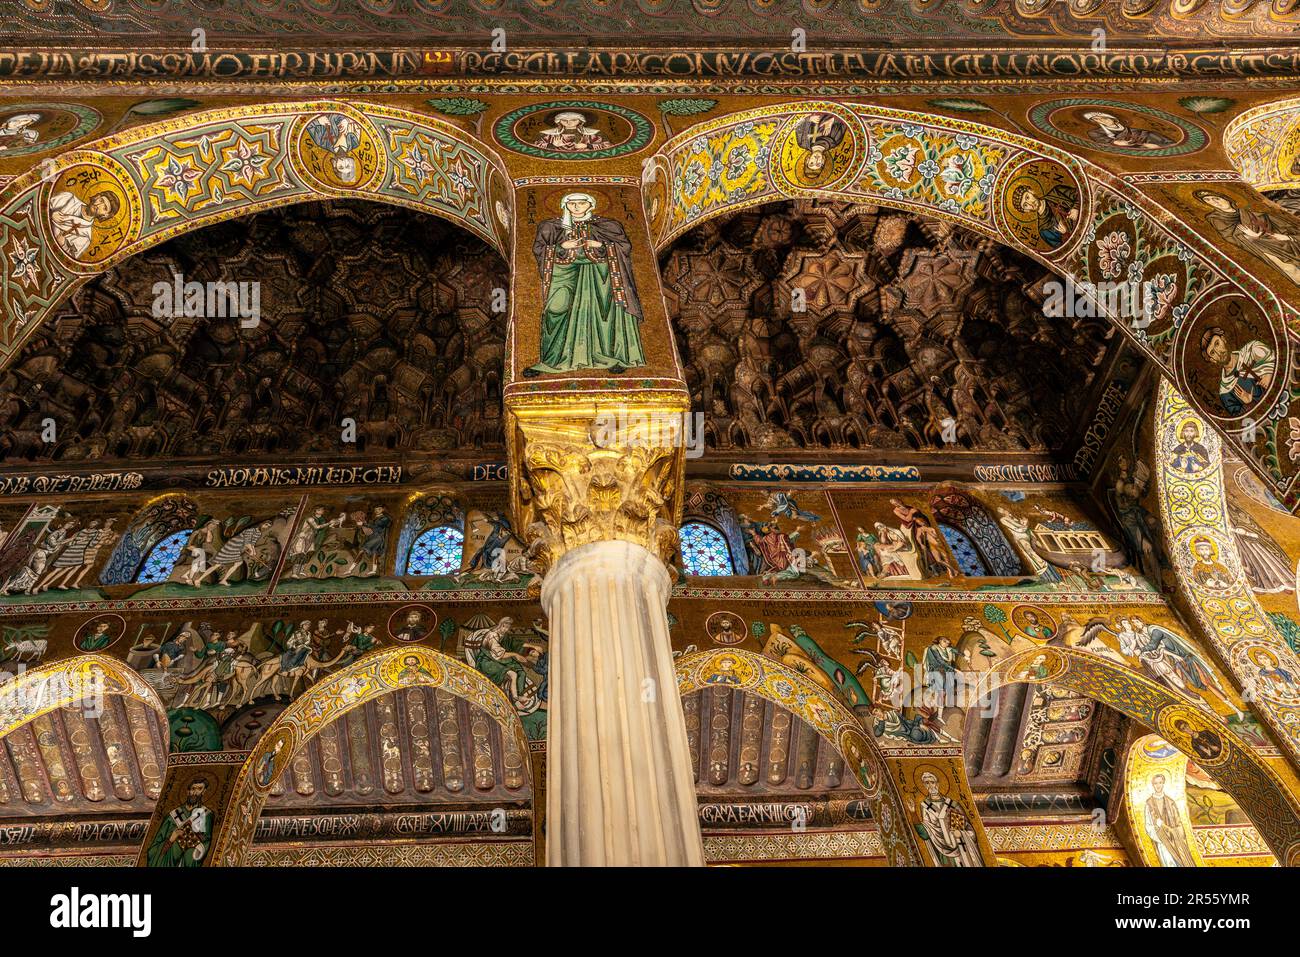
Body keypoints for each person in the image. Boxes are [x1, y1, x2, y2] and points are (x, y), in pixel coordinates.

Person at [524, 193, 644, 376]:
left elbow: (624, 247)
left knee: (604, 312)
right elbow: (539, 249)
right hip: (563, 274)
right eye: (572, 203)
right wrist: (560, 247)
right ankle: (552, 360)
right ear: (566, 205)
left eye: (581, 203)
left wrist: (601, 244)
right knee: (555, 309)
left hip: (599, 274)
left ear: (591, 205)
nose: (577, 207)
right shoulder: (551, 226)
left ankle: (609, 358)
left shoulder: (608, 225)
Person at [1198, 324, 1276, 416]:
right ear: (1213, 360)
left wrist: (1269, 374)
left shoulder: (1253, 350)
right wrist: (1248, 404)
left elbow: (1278, 359)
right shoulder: (1225, 393)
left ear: (1223, 339)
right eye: (1213, 352)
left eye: (1217, 343)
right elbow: (1243, 422)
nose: (1219, 352)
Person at [146, 777, 213, 867]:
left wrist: (196, 836)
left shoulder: (206, 814)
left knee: (190, 854)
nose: (195, 792)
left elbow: (206, 840)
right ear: (188, 791)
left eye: (199, 789)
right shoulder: (171, 816)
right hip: (170, 858)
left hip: (190, 856)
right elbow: (153, 849)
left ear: (204, 791)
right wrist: (170, 840)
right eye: (193, 789)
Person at [1144, 773, 1196, 867]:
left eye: (1160, 782)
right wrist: (1159, 833)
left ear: (1163, 783)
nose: (1158, 785)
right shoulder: (1149, 803)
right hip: (1161, 839)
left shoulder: (1170, 802)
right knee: (1169, 862)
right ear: (1152, 785)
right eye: (1155, 783)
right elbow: (1148, 825)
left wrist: (1175, 833)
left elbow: (1178, 822)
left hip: (1175, 840)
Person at [1081, 110, 1174, 150]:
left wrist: (1158, 145)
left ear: (1113, 119)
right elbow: (1106, 142)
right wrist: (1114, 142)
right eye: (1096, 119)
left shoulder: (1138, 132)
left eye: (1103, 118)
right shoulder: (1094, 132)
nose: (1101, 120)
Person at [532, 111, 612, 152]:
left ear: (580, 121)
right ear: (559, 122)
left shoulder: (595, 133)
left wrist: (588, 146)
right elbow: (534, 146)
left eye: (573, 120)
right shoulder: (547, 134)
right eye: (564, 120)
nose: (569, 123)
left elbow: (608, 146)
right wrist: (551, 145)